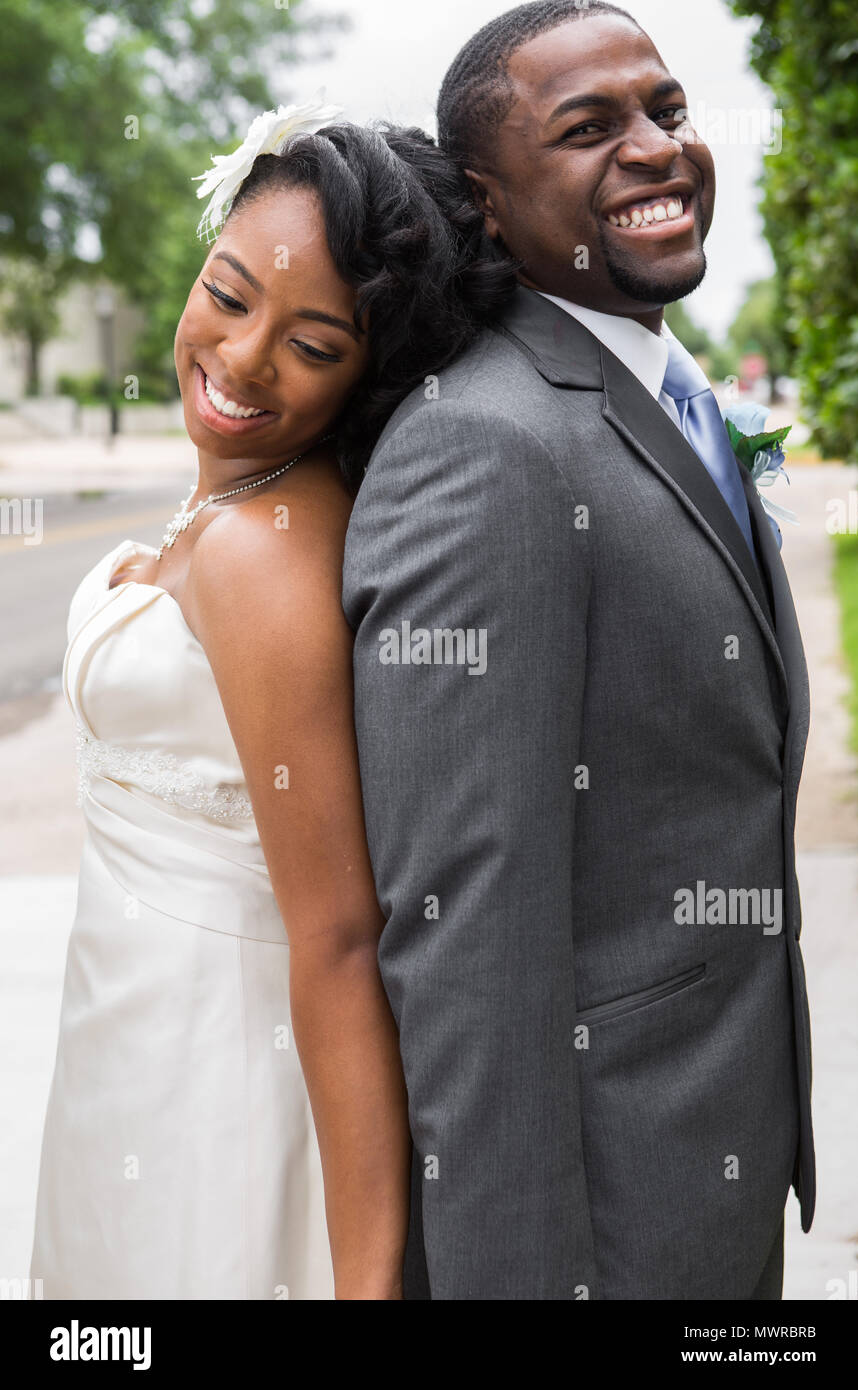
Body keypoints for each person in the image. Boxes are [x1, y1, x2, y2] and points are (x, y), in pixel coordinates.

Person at [342, 1, 814, 1300]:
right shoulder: (482, 444)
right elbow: (466, 932)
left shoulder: (657, 391)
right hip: (599, 1221)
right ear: (488, 204)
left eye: (663, 110)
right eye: (588, 129)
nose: (655, 148)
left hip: (705, 1156)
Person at [28, 104, 514, 1300]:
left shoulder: (263, 555)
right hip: (127, 1046)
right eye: (229, 294)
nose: (240, 361)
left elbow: (340, 940)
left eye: (311, 344)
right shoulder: (243, 503)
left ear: (369, 369)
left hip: (213, 1089)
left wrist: (364, 1281)